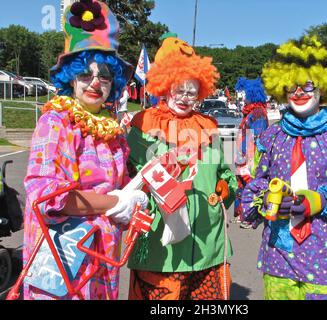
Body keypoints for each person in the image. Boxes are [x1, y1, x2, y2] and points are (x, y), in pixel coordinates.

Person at [22, 0, 148, 300]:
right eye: (85, 74)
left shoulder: (112, 130)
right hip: (61, 260)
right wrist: (114, 202)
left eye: (104, 75)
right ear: (71, 78)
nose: (95, 83)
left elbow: (119, 189)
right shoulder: (56, 122)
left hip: (103, 257)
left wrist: (137, 194)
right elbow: (46, 197)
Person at [241, 36, 327, 300]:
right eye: (292, 87)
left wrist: (321, 201)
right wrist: (262, 199)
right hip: (279, 258)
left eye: (307, 85)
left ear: (322, 88)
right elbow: (257, 181)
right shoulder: (272, 136)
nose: (299, 92)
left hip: (326, 261)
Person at [126, 35, 237, 300]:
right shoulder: (143, 124)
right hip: (160, 250)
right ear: (164, 87)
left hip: (208, 246)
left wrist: (226, 187)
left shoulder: (208, 126)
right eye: (179, 90)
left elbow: (224, 173)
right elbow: (130, 177)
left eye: (192, 91)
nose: (186, 98)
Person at [233, 77, 269, 229]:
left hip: (251, 156)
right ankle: (243, 214)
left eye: (246, 94)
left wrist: (251, 159)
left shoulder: (258, 112)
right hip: (243, 154)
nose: (244, 97)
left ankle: (250, 215)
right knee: (242, 184)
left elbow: (258, 137)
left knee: (250, 185)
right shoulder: (250, 111)